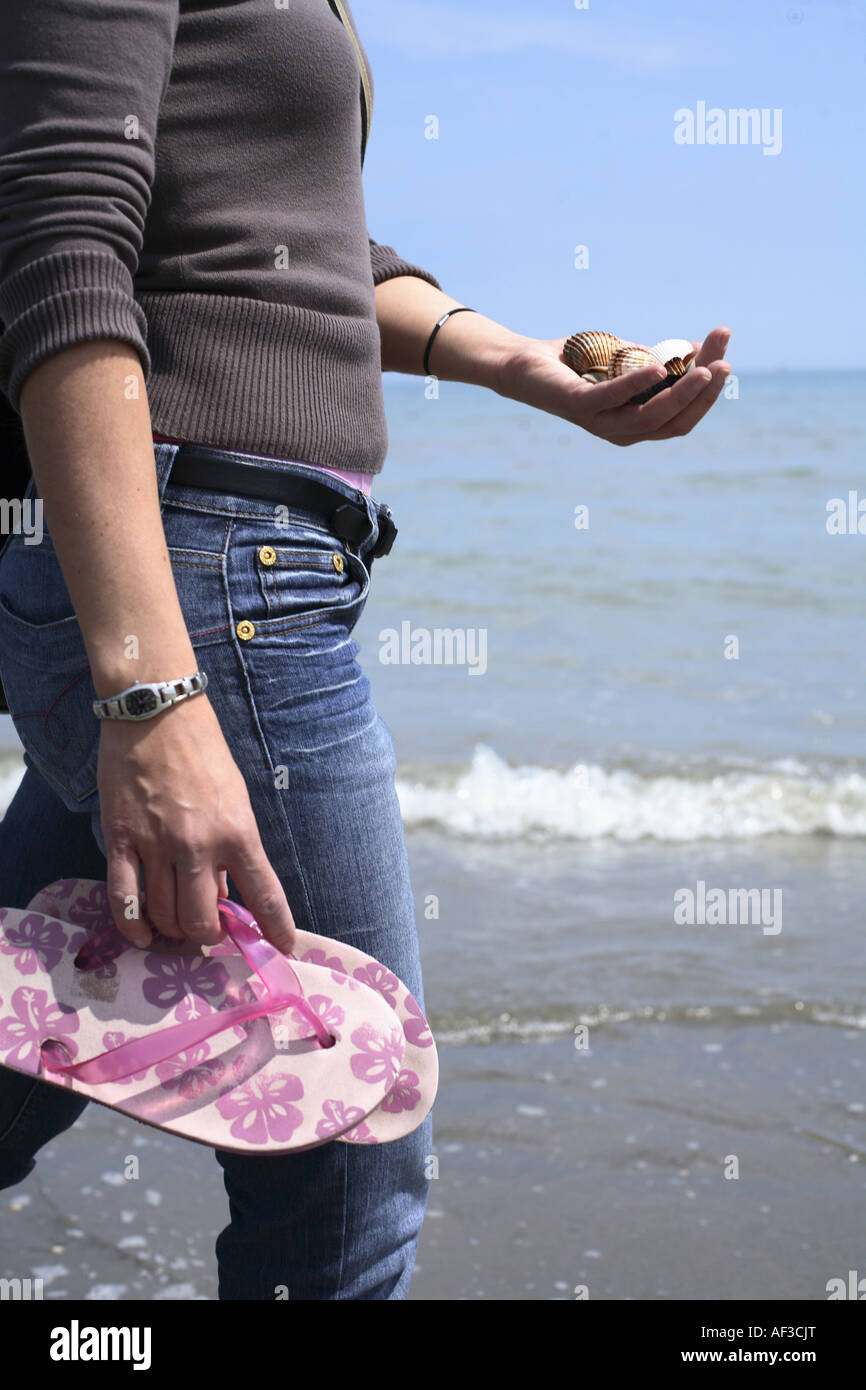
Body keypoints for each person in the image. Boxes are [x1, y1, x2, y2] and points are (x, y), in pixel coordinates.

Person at [0, 0, 730, 1301]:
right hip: (206, 573)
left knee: (24, 1037)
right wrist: (152, 691)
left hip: (223, 561)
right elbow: (59, 236)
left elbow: (301, 248)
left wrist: (526, 366)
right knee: (344, 1162)